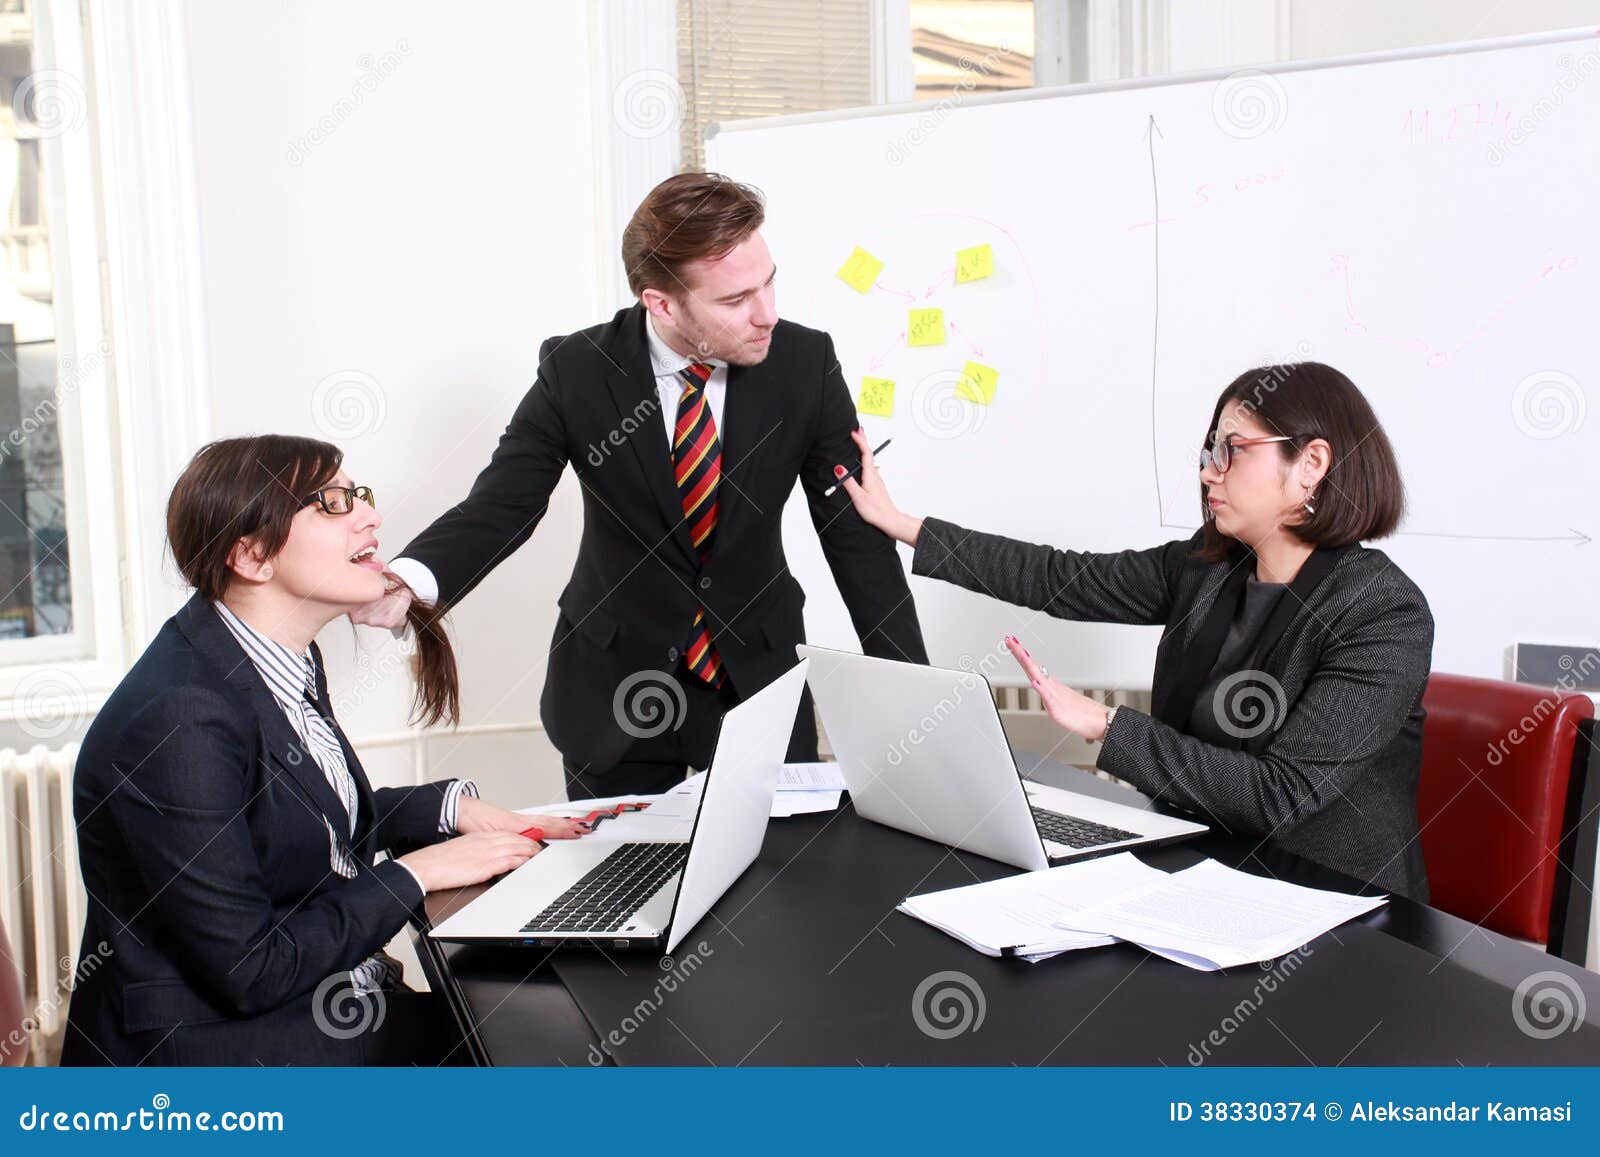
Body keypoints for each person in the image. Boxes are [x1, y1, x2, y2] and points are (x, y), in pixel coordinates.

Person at [357, 172, 927, 799]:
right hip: (612, 691)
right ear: (661, 303)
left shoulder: (804, 362)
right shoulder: (577, 369)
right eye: (736, 300)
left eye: (769, 283)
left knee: (772, 886)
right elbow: (505, 503)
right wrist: (410, 581)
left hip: (755, 682)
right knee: (617, 888)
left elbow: (853, 535)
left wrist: (920, 702)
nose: (767, 315)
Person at [63, 435, 589, 1066]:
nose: (371, 515)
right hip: (221, 1053)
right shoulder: (180, 719)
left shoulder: (274, 656)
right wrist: (421, 872)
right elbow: (252, 970)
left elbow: (287, 822)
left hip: (313, 1001)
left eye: (357, 495)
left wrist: (452, 811)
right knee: (549, 1060)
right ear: (253, 556)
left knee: (544, 1034)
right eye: (333, 503)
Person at [836, 362, 1433, 900]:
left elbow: (1283, 796)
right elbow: (1059, 578)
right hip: (1204, 867)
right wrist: (902, 525)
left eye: (1233, 449)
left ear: (1311, 464)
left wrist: (1106, 725)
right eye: (1208, 451)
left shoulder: (1384, 612)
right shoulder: (1207, 568)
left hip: (1328, 903)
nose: (1208, 474)